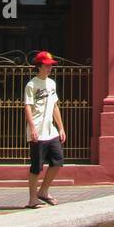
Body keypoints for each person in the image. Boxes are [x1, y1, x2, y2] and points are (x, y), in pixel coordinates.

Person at [24, 50, 67, 207]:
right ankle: (32, 198)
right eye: (47, 65)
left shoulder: (51, 83)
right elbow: (27, 107)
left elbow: (55, 106)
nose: (50, 68)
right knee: (37, 166)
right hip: (38, 131)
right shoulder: (32, 85)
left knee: (58, 161)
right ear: (40, 66)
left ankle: (44, 191)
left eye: (51, 66)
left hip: (51, 131)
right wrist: (32, 128)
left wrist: (61, 128)